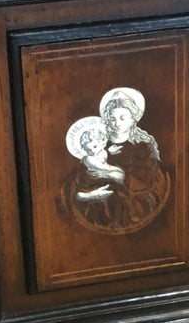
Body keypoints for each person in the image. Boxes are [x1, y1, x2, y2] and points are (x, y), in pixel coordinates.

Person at [61, 88, 170, 233]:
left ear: (134, 119)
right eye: (112, 119)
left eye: (122, 118)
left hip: (131, 204)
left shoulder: (142, 147)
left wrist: (116, 175)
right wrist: (88, 195)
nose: (117, 123)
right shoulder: (97, 142)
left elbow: (146, 181)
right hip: (95, 205)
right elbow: (80, 179)